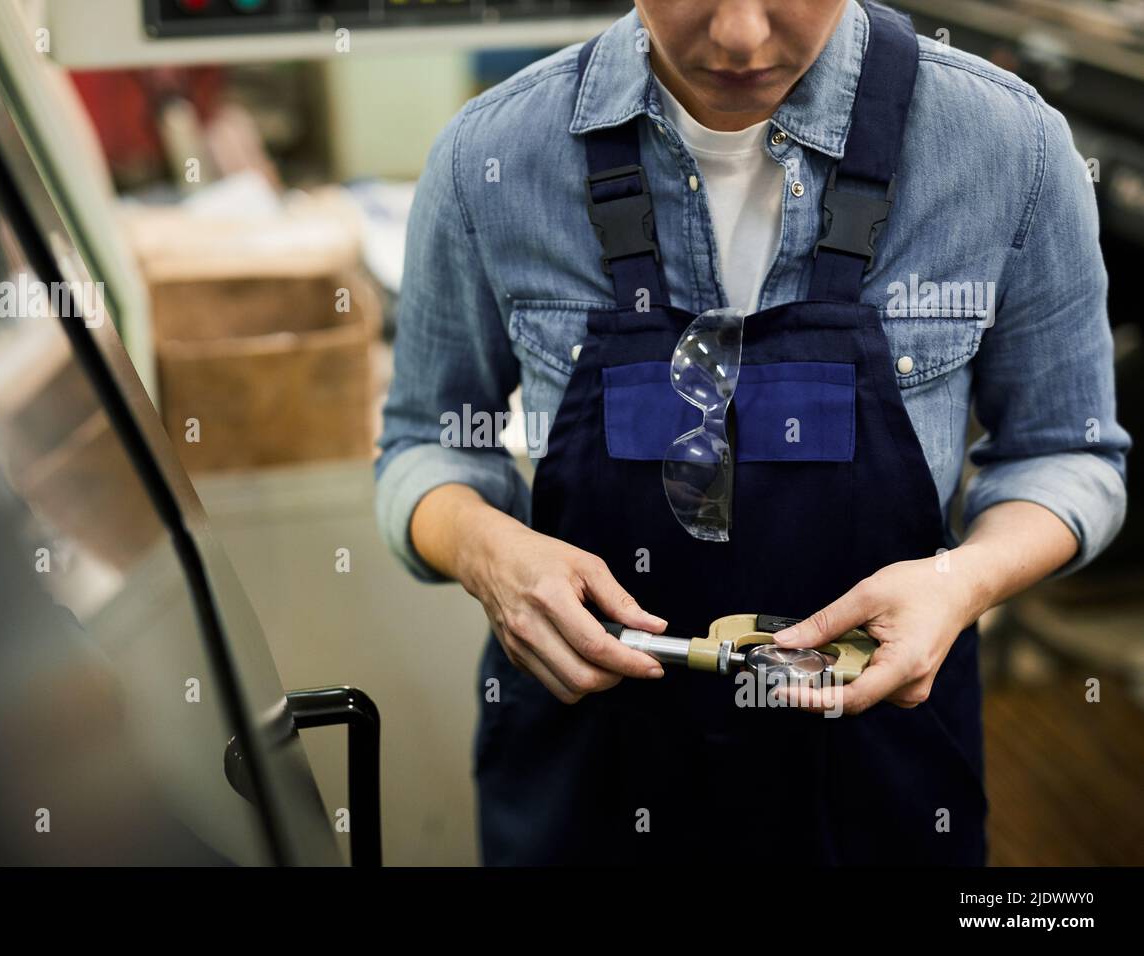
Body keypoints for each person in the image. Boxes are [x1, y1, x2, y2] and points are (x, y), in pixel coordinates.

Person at [375, 0, 1130, 865]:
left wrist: (963, 583)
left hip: (875, 785)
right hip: (593, 781)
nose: (739, 35)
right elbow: (424, 444)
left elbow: (1068, 451)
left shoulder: (1010, 149)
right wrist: (483, 551)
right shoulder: (490, 158)